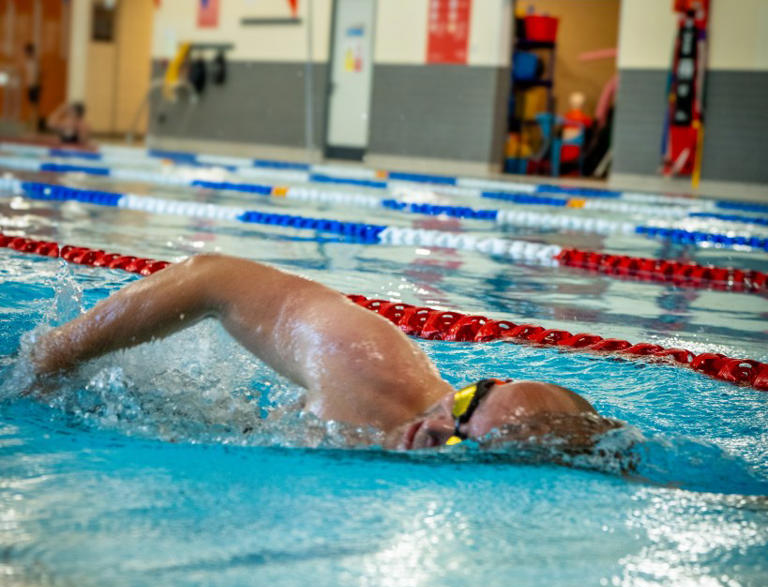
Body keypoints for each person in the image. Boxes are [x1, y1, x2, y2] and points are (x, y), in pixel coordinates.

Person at [29, 254, 610, 451]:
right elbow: (210, 278)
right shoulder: (365, 366)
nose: (434, 429)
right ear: (479, 382)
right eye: (459, 405)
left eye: (462, 443)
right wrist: (54, 357)